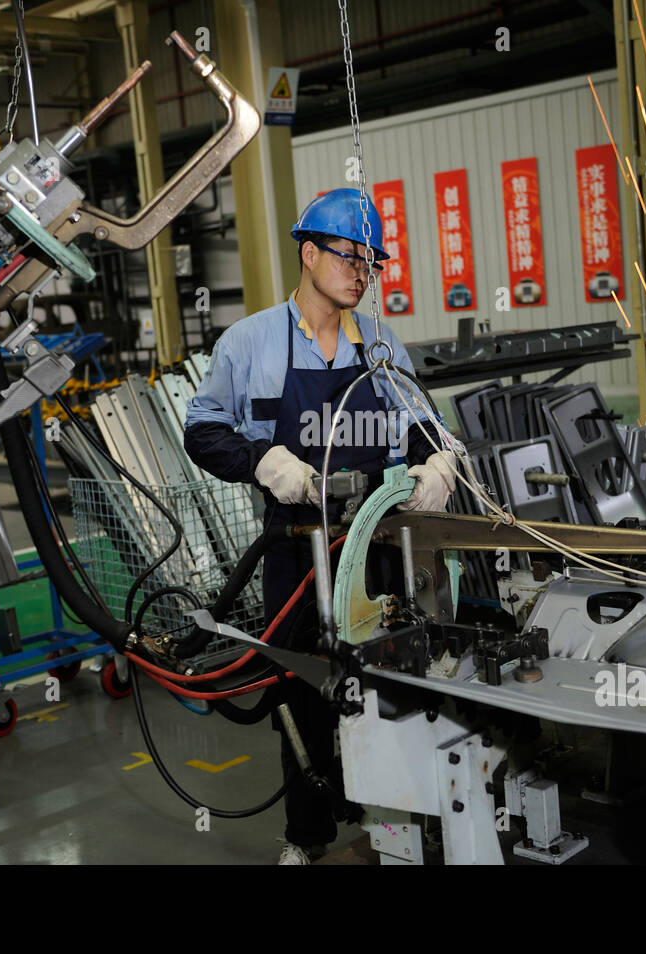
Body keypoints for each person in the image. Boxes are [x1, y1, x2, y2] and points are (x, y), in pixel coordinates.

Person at [183, 188, 456, 864]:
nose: (362, 272)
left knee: (392, 683)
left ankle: (400, 826)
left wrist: (438, 462)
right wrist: (262, 461)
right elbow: (202, 432)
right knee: (302, 694)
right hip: (295, 552)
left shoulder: (383, 342)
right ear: (309, 253)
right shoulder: (249, 343)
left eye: (372, 262)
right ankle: (308, 838)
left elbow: (421, 425)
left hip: (379, 547)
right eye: (349, 257)